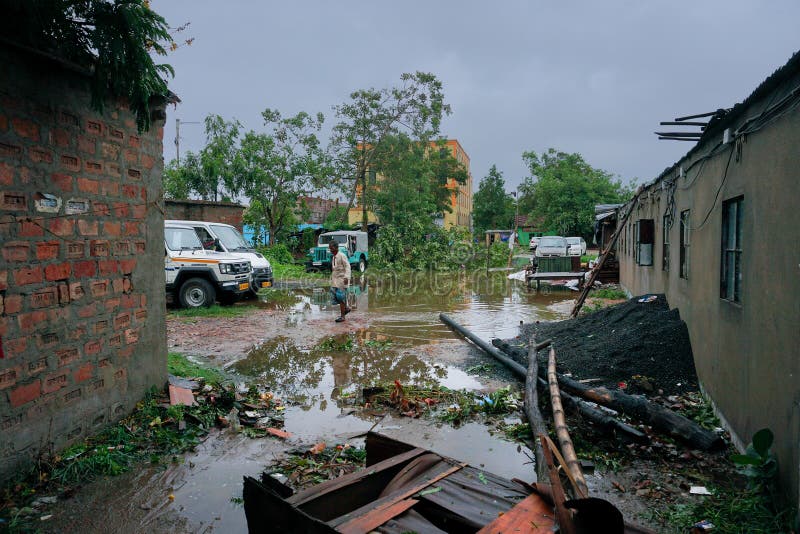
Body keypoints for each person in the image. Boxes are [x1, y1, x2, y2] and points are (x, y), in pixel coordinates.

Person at [328, 241, 351, 322]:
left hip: (342, 280)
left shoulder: (342, 255)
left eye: (332, 248)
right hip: (335, 280)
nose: (331, 250)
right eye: (330, 248)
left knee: (341, 297)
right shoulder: (334, 257)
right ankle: (346, 308)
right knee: (335, 296)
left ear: (336, 248)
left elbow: (347, 266)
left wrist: (346, 277)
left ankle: (342, 316)